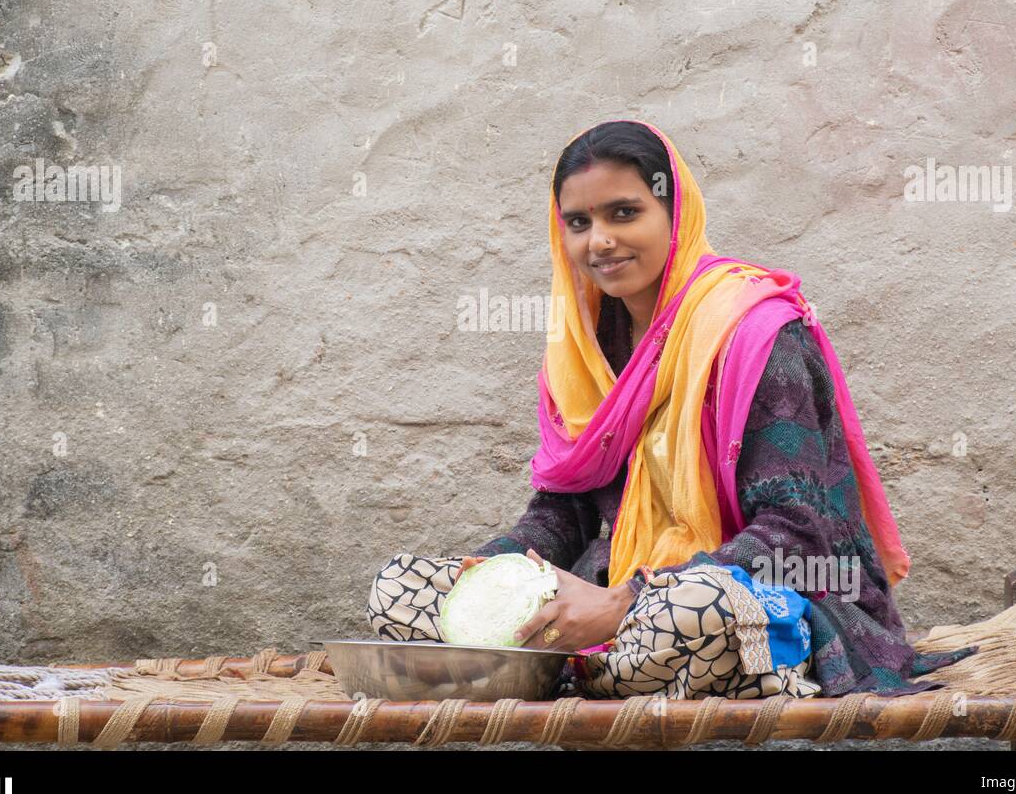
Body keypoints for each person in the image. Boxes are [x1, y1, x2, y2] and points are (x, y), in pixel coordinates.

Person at [367, 120, 976, 701]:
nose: (598, 241)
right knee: (403, 588)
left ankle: (563, 663)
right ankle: (577, 657)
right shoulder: (585, 351)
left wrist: (629, 598)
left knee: (692, 611)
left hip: (764, 603)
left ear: (674, 212)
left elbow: (797, 537)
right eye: (578, 222)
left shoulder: (754, 333)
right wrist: (500, 570)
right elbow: (567, 507)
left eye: (624, 213)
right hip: (613, 599)